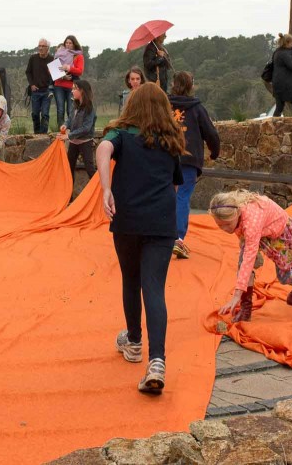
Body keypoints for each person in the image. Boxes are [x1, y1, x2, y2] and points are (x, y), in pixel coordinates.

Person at [95, 83, 185, 395]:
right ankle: (157, 361)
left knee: (130, 280)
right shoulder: (170, 141)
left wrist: (107, 188)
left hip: (128, 219)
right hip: (161, 221)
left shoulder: (121, 135)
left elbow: (103, 148)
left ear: (132, 106)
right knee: (154, 289)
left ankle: (134, 342)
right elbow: (175, 185)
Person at [210, 190, 292, 322]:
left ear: (237, 213)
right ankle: (245, 308)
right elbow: (246, 251)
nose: (225, 229)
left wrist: (236, 294)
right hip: (258, 231)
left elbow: (249, 256)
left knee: (284, 277)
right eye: (220, 225)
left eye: (228, 224)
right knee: (243, 266)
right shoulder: (231, 208)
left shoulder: (250, 222)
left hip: (278, 234)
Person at [168, 71, 220, 259]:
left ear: (173, 84)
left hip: (165, 156)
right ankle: (178, 239)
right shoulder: (197, 109)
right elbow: (211, 134)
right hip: (188, 159)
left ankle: (157, 236)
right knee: (182, 197)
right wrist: (214, 152)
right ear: (191, 86)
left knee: (163, 195)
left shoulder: (164, 106)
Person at [59, 79, 97, 182]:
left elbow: (86, 128)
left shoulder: (90, 108)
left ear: (82, 91)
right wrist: (65, 125)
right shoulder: (74, 105)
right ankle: (69, 197)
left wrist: (69, 136)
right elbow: (70, 119)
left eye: (75, 89)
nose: (72, 91)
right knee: (68, 169)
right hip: (73, 143)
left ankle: (100, 194)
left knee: (90, 170)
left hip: (85, 142)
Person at [270, 33, 292, 117]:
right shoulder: (285, 54)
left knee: (279, 107)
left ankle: (274, 124)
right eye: (291, 42)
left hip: (277, 83)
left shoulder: (277, 52)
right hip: (286, 85)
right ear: (287, 42)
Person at [53, 36, 84, 128]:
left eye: (70, 43)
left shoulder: (78, 56)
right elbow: (53, 69)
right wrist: (63, 76)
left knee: (71, 109)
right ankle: (60, 129)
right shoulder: (59, 54)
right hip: (59, 84)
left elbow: (80, 71)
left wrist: (69, 68)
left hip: (72, 86)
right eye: (66, 43)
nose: (68, 45)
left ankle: (71, 129)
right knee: (60, 109)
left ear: (74, 44)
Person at [26, 38, 54, 134]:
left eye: (43, 46)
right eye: (39, 46)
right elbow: (28, 72)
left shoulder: (51, 59)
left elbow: (56, 75)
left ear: (48, 48)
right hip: (35, 91)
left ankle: (43, 134)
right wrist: (32, 84)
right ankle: (37, 134)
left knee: (45, 114)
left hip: (46, 91)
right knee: (35, 114)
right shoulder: (33, 58)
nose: (41, 48)